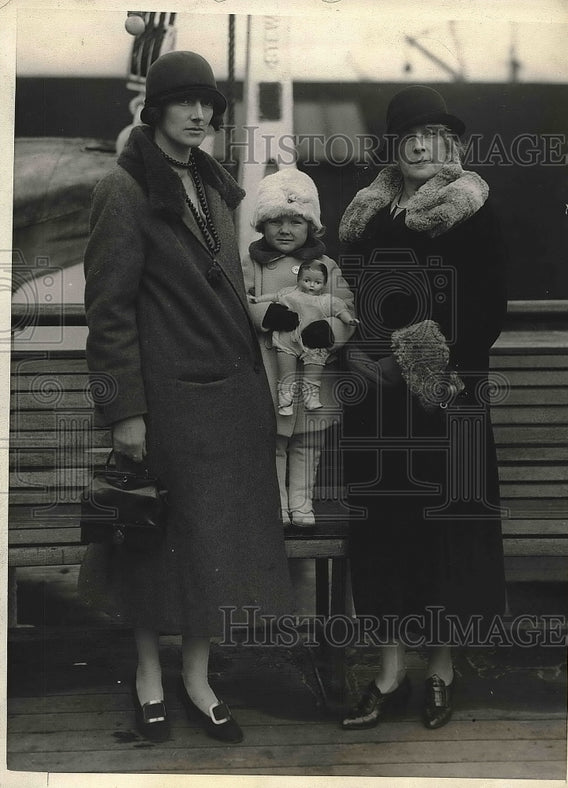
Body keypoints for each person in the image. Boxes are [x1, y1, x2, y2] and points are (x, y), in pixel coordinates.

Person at [78, 50, 293, 744]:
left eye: (208, 105)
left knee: (211, 547)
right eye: (184, 102)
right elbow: (108, 314)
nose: (199, 115)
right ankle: (149, 677)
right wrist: (124, 411)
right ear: (156, 109)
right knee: (152, 544)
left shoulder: (211, 184)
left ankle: (198, 679)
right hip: (166, 406)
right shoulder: (124, 188)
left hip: (229, 403)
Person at [338, 85, 507, 731]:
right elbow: (346, 292)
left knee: (444, 534)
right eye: (408, 136)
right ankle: (389, 671)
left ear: (450, 145)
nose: (418, 146)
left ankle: (440, 669)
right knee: (382, 533)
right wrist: (352, 348)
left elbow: (486, 309)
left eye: (432, 135)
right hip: (376, 407)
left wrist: (416, 362)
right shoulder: (367, 213)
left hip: (445, 401)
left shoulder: (471, 208)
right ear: (394, 146)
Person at [242, 168, 356, 530]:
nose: (285, 230)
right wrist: (265, 314)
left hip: (313, 370)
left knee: (308, 444)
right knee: (272, 443)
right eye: (276, 221)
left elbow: (346, 309)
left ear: (311, 225)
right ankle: (276, 505)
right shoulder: (250, 264)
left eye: (296, 221)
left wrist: (328, 332)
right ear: (262, 224)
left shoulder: (327, 268)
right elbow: (237, 300)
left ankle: (302, 504)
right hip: (270, 370)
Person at [249, 259, 359, 413]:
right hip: (288, 339)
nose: (311, 285)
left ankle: (311, 397)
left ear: (324, 283)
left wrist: (345, 322)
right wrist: (259, 303)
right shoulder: (290, 293)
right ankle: (285, 401)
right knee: (285, 371)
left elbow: (342, 310)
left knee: (314, 368)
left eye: (317, 282)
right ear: (299, 280)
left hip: (313, 341)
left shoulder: (327, 299)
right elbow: (274, 296)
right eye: (307, 280)